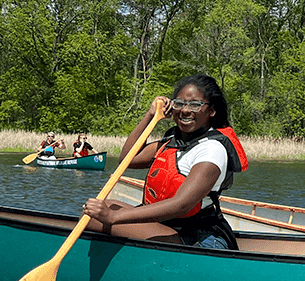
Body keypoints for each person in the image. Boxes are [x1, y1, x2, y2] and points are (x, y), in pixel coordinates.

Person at [81, 74, 247, 250]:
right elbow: (127, 160)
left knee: (99, 216)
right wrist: (151, 115)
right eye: (179, 103)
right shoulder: (171, 142)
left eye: (195, 104)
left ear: (211, 111)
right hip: (167, 226)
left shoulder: (212, 149)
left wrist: (113, 218)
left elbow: (181, 205)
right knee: (103, 205)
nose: (185, 110)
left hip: (198, 238)